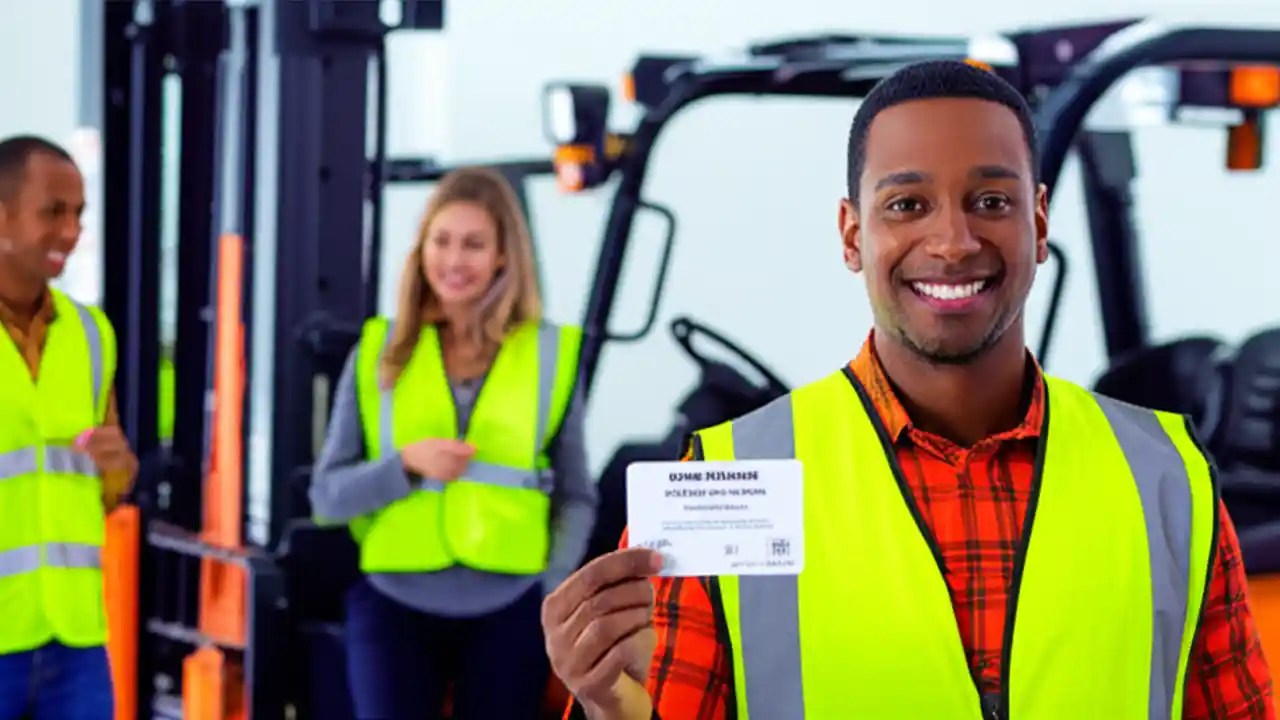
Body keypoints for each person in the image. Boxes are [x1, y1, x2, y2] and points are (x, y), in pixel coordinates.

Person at [541, 60, 1275, 719]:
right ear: (852, 234)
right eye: (907, 205)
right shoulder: (722, 484)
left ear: (1039, 220)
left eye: (990, 201)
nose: (953, 241)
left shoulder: (1166, 478)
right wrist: (612, 708)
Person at [310, 166, 598, 720]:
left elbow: (576, 494)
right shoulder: (378, 353)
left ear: (503, 257)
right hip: (394, 604)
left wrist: (552, 587)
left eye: (473, 244)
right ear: (420, 251)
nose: (454, 260)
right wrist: (407, 466)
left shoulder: (547, 356)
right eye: (441, 242)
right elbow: (327, 498)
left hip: (510, 607)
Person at [0, 135, 138, 720]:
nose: (71, 232)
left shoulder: (90, 334)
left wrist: (120, 468)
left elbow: (108, 486)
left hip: (75, 639)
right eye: (52, 212)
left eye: (79, 214)